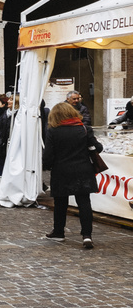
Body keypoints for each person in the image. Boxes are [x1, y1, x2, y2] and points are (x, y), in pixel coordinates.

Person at [42, 100, 103, 248]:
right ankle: (87, 236)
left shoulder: (53, 131)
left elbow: (48, 155)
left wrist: (46, 166)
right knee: (84, 203)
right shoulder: (84, 128)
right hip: (83, 170)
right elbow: (98, 148)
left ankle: (59, 232)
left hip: (61, 171)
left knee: (60, 203)